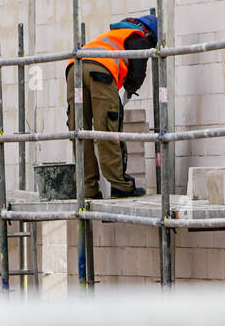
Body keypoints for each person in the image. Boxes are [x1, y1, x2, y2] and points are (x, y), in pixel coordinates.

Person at [65, 14, 158, 199]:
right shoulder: (138, 37)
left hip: (73, 70)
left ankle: (88, 189)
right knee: (107, 129)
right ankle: (120, 186)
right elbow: (138, 69)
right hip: (100, 72)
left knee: (79, 131)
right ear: (149, 33)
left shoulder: (110, 35)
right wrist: (131, 88)